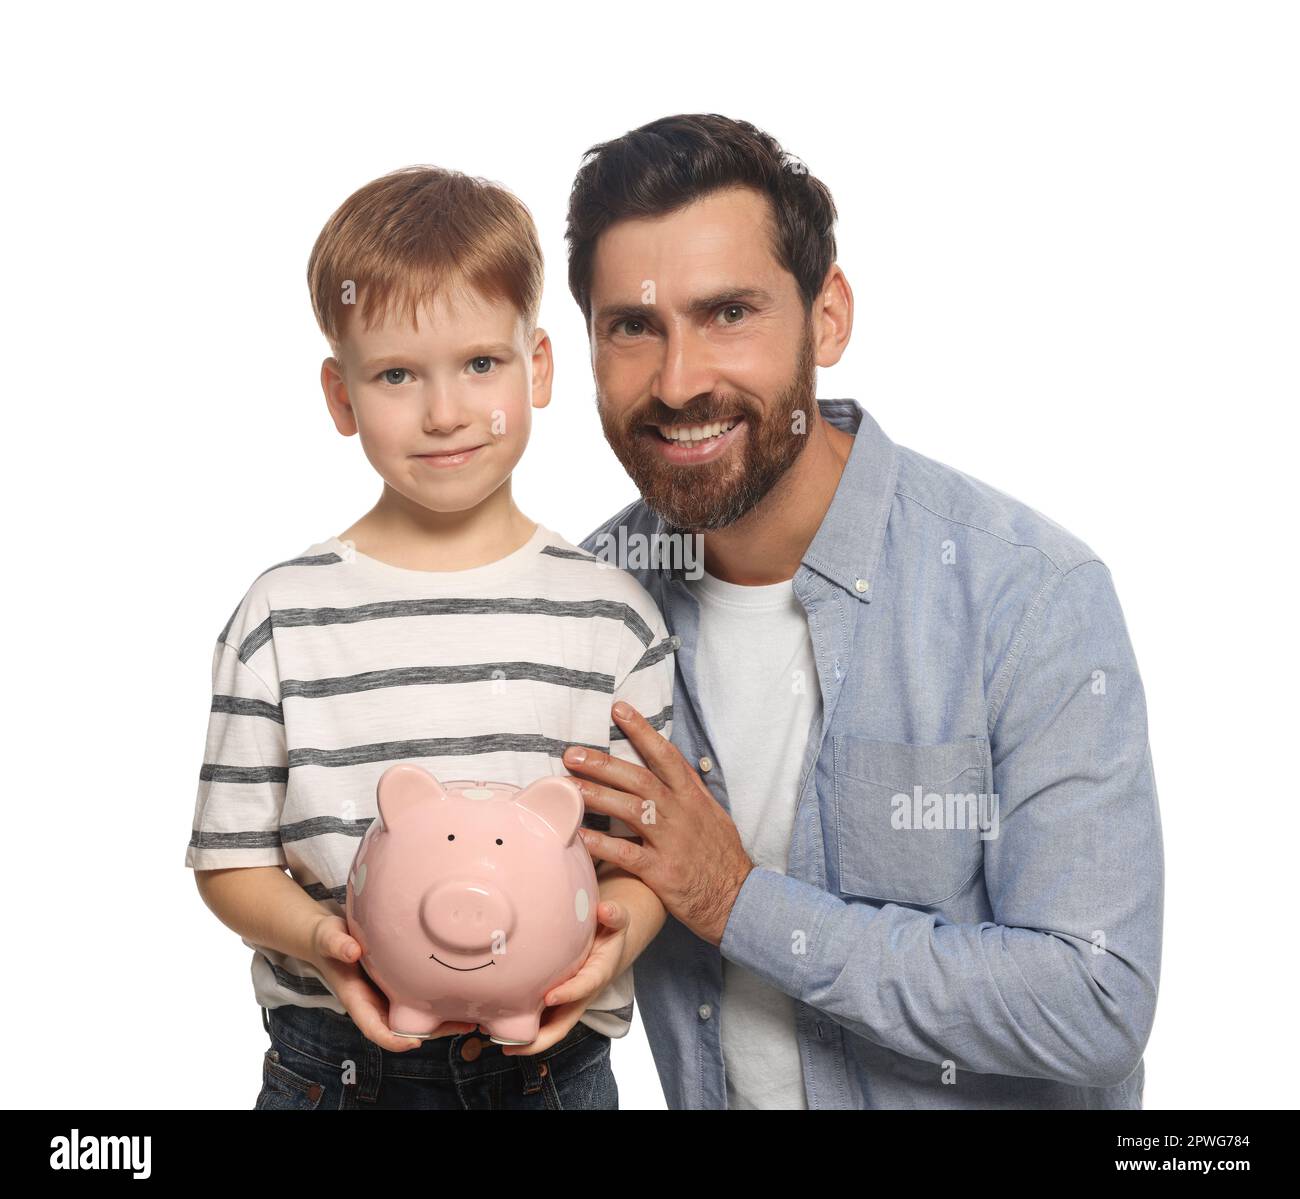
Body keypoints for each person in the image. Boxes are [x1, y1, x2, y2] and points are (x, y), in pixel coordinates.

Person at [561, 113, 1164, 1109]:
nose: (678, 381)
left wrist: (736, 898)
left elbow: (1094, 1000)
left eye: (728, 314)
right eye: (633, 325)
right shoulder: (582, 607)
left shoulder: (1024, 594)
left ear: (826, 316)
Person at [185, 166, 676, 1110]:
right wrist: (322, 943)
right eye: (397, 375)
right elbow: (229, 859)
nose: (444, 411)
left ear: (537, 367)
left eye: (480, 365)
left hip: (549, 1068)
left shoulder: (613, 616)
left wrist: (620, 934)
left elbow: (651, 849)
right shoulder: (281, 618)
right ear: (341, 394)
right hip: (336, 1062)